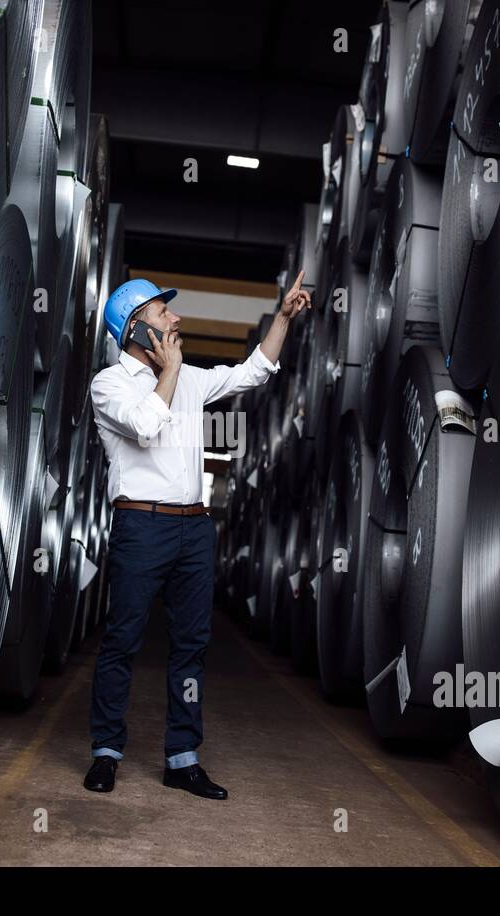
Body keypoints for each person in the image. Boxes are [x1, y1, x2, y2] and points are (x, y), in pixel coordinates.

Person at [83, 271, 311, 798]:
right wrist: (172, 372)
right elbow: (145, 425)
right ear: (138, 331)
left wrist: (282, 319)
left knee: (191, 646)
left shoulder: (187, 378)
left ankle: (182, 758)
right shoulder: (108, 384)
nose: (177, 318)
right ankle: (106, 752)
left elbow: (251, 374)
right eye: (165, 314)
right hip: (141, 525)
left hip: (193, 530)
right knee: (122, 639)